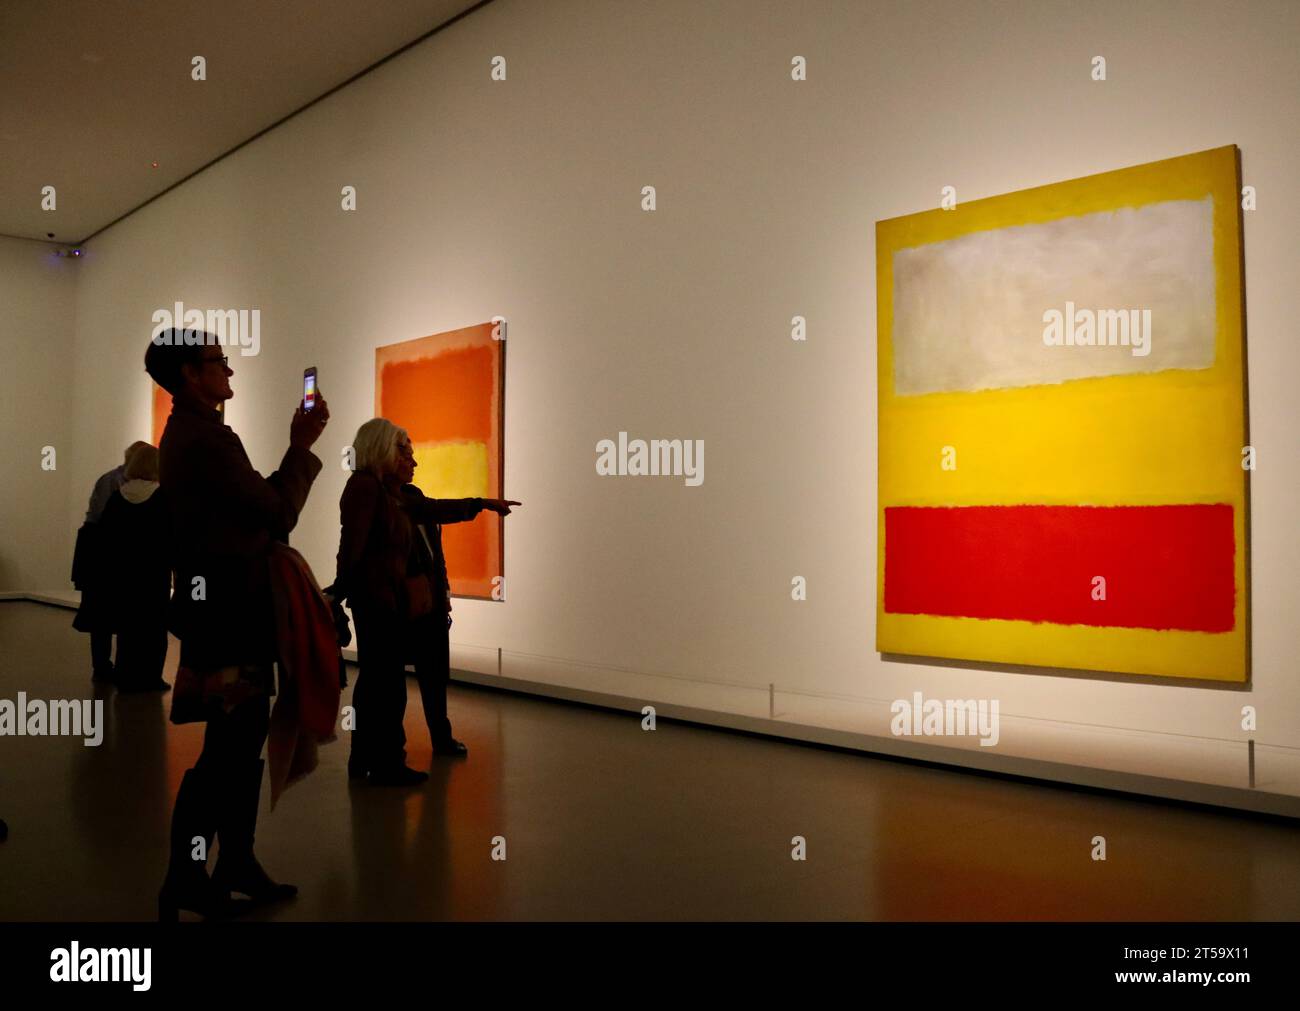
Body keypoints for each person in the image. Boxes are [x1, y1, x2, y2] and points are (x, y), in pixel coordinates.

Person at [145, 330, 328, 920]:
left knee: (238, 747)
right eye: (219, 362)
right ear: (189, 374)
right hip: (229, 619)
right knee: (226, 753)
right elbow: (278, 513)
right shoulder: (205, 441)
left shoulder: (192, 435)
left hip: (222, 613)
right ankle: (187, 873)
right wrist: (300, 447)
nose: (229, 372)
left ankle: (235, 862)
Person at [333, 418, 517, 785]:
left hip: (390, 606)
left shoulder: (396, 494)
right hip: (376, 605)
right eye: (404, 451)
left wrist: (480, 504)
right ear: (380, 448)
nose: (410, 459)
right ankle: (381, 762)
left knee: (383, 685)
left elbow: (434, 509)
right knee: (381, 687)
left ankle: (376, 761)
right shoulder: (365, 488)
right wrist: (340, 592)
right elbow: (350, 549)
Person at [72, 441, 151, 681]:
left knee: (101, 617)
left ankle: (103, 666)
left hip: (100, 552)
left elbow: (95, 515)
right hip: (111, 554)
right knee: (114, 615)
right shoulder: (124, 486)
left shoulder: (109, 480)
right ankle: (118, 667)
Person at [97, 443, 171, 692]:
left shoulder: (118, 497)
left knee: (127, 628)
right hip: (154, 574)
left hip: (124, 574)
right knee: (154, 629)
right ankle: (151, 676)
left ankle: (125, 674)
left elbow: (106, 538)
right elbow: (170, 538)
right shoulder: (162, 498)